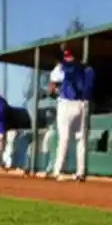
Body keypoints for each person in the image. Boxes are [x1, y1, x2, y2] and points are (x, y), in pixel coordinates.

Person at [42, 49, 89, 181]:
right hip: (82, 104)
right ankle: (81, 172)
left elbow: (53, 82)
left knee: (64, 139)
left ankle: (57, 170)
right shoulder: (83, 68)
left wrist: (55, 88)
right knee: (81, 140)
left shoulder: (62, 68)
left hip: (66, 104)